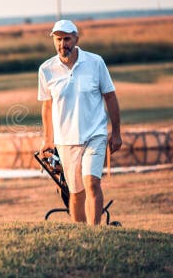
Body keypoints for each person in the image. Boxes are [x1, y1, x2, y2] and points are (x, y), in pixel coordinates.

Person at [38, 19, 122, 225]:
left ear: (76, 38)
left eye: (67, 39)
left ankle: (95, 233)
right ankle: (81, 234)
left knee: (92, 183)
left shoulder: (95, 62)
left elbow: (110, 97)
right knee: (75, 193)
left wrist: (117, 132)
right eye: (58, 39)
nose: (62, 44)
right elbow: (47, 107)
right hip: (65, 140)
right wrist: (47, 140)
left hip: (95, 134)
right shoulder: (46, 69)